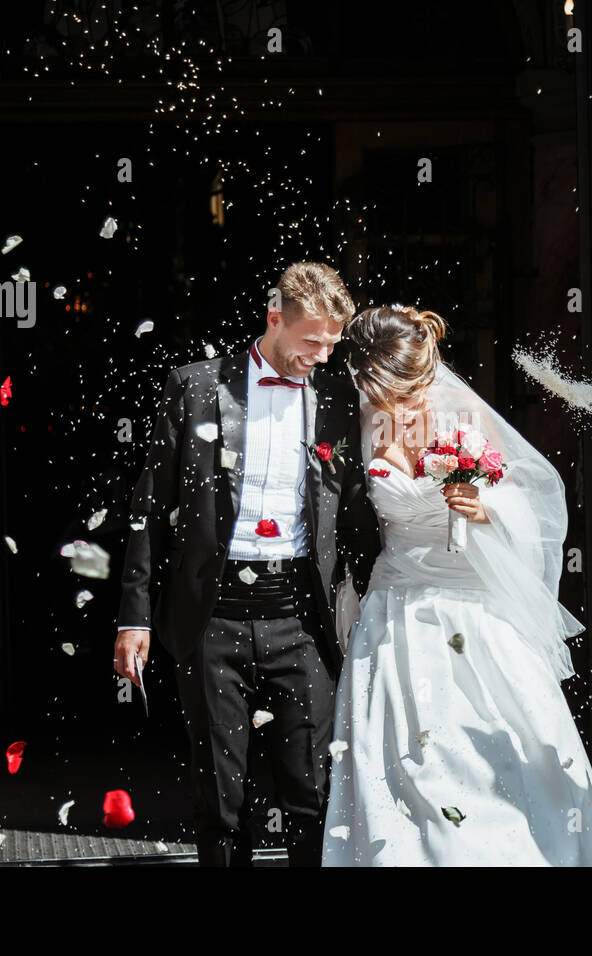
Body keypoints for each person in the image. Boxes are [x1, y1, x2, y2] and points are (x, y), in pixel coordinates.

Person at [320, 305, 592, 866]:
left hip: (474, 614)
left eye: (414, 392)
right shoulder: (349, 417)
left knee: (495, 764)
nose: (407, 406)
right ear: (366, 380)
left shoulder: (464, 417)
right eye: (393, 394)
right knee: (407, 770)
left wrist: (485, 512)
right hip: (396, 612)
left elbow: (528, 503)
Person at [114, 262, 382, 866]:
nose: (320, 355)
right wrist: (134, 618)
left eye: (331, 343)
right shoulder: (196, 387)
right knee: (221, 797)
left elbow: (364, 508)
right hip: (213, 618)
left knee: (313, 791)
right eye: (310, 339)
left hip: (302, 619)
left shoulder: (339, 399)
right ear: (273, 319)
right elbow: (148, 510)